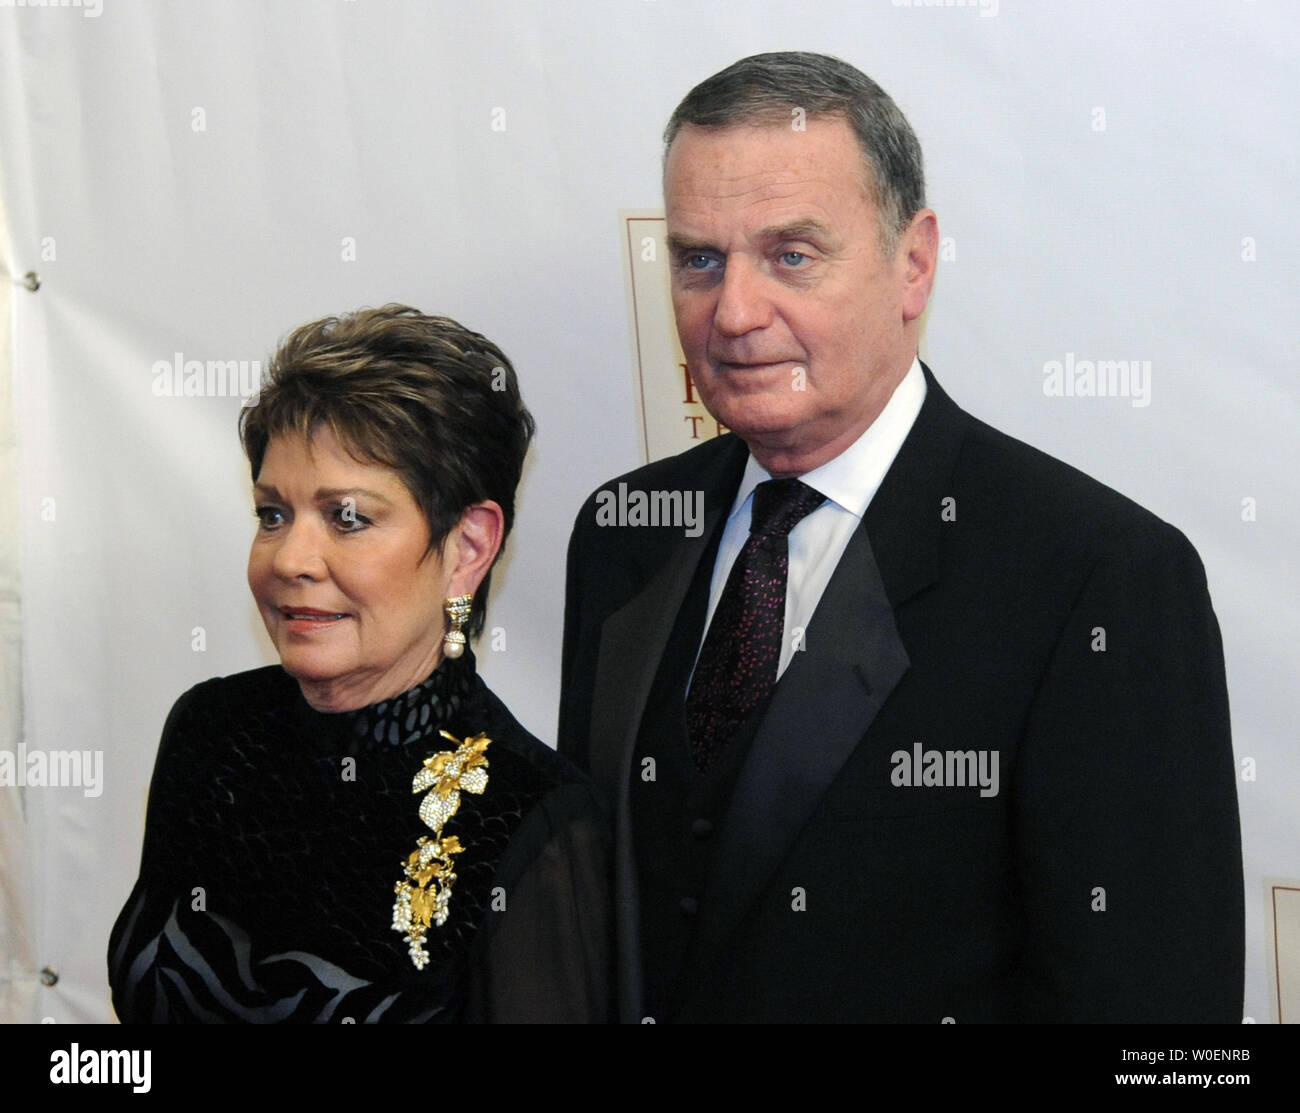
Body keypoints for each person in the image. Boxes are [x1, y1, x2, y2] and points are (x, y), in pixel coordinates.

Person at [558, 52, 1243, 1023]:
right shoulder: (622, 533)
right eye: (699, 260)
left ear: (912, 263)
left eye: (791, 255)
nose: (735, 313)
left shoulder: (1097, 578)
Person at [110, 305, 610, 1023]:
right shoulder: (210, 729)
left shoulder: (535, 820)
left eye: (347, 517)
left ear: (468, 547)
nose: (290, 559)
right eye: (272, 514)